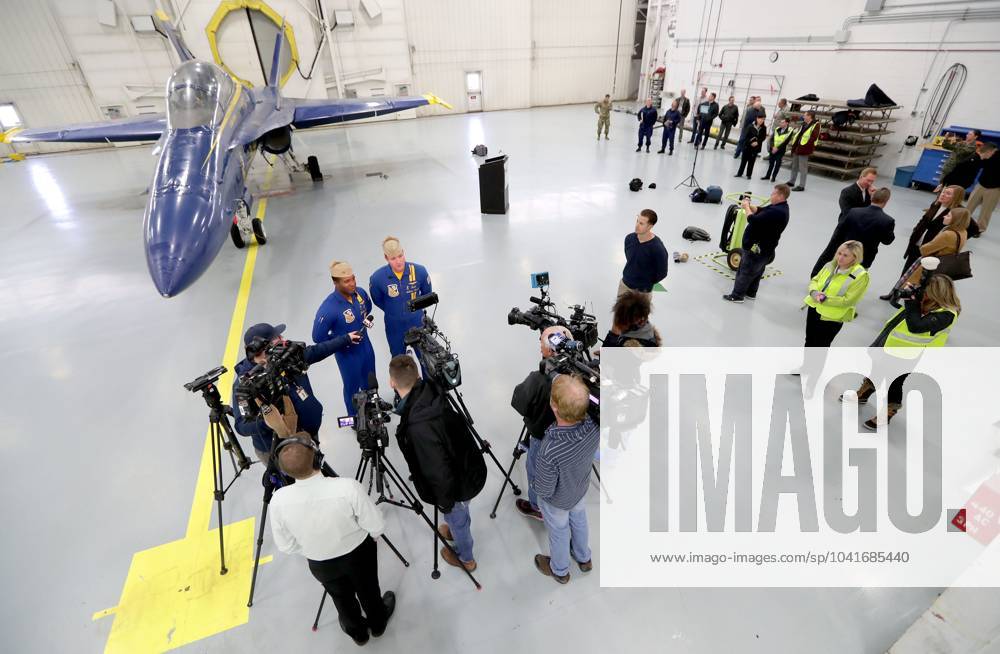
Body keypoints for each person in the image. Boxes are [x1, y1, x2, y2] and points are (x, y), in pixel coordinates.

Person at [270, 438, 394, 646]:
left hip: (320, 563)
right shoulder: (348, 488)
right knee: (369, 589)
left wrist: (315, 547)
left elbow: (286, 545)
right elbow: (376, 526)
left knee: (340, 598)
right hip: (359, 555)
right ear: (318, 458)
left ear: (285, 472)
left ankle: (358, 634)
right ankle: (378, 624)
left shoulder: (278, 501)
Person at [388, 355, 487, 572]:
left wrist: (445, 503)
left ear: (392, 383)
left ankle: (466, 557)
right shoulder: (431, 392)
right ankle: (454, 528)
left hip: (456, 486)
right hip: (466, 467)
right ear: (416, 376)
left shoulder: (418, 427)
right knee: (459, 514)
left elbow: (438, 472)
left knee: (457, 516)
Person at [233, 322, 360, 464]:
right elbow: (241, 426)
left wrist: (346, 339)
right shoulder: (245, 385)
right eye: (277, 337)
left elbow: (317, 351)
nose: (282, 338)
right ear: (264, 348)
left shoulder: (287, 356)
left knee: (313, 470)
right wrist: (269, 422)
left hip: (308, 435)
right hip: (279, 450)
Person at [846, 275, 960, 431]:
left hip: (908, 353)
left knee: (894, 382)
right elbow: (897, 309)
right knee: (877, 369)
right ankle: (865, 392)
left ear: (936, 293)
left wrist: (911, 301)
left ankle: (889, 411)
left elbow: (915, 326)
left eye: (924, 290)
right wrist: (905, 294)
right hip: (889, 341)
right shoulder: (923, 300)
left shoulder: (946, 314)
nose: (921, 292)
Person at [532, 375, 599, 584]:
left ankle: (560, 569)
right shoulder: (594, 426)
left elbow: (544, 488)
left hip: (558, 502)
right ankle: (583, 557)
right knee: (579, 520)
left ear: (554, 406)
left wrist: (538, 493)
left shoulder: (550, 447)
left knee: (559, 531)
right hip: (580, 488)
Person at [512, 325, 574, 521]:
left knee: (535, 471)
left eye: (541, 343)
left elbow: (519, 402)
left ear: (549, 350)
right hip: (569, 439)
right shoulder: (576, 374)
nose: (540, 347)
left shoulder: (538, 379)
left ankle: (536, 506)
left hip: (541, 438)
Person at [879, 185, 965, 300]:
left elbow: (971, 226)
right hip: (917, 244)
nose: (943, 194)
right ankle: (895, 294)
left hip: (931, 249)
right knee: (906, 272)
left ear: (956, 197)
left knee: (921, 277)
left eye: (948, 193)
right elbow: (924, 220)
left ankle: (913, 299)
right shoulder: (936, 205)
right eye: (943, 192)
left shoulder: (956, 212)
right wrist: (916, 230)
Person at [313, 261, 378, 415]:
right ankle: (354, 418)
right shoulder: (329, 308)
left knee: (370, 381)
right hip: (347, 355)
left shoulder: (360, 293)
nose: (352, 283)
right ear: (335, 282)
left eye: (353, 278)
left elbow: (367, 308)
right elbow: (317, 337)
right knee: (352, 388)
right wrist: (340, 339)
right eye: (346, 281)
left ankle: (373, 408)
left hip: (366, 347)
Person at [722, 184, 791, 303]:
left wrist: (746, 208)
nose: (770, 195)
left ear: (780, 195)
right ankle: (751, 293)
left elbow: (753, 220)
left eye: (773, 194)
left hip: (756, 248)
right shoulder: (780, 207)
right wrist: (750, 206)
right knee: (757, 271)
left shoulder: (777, 211)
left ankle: (737, 295)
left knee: (745, 270)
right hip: (766, 249)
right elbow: (763, 211)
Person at [811, 186, 895, 277]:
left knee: (837, 274)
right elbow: (887, 241)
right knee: (854, 279)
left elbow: (841, 230)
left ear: (871, 197)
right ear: (886, 202)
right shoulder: (887, 221)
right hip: (865, 257)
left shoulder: (854, 212)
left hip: (847, 251)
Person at [369, 237, 432, 357]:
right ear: (386, 258)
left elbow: (427, 294)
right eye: (393, 258)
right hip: (394, 325)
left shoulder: (419, 271)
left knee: (426, 358)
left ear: (403, 252)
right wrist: (393, 310)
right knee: (398, 360)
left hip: (417, 321)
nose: (398, 261)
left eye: (400, 256)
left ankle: (427, 377)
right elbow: (377, 300)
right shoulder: (377, 278)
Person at [803, 241, 869, 348]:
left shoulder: (860, 276)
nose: (840, 258)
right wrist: (814, 292)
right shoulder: (830, 265)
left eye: (845, 255)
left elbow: (849, 300)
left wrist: (824, 299)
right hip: (814, 308)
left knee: (821, 345)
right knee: (809, 340)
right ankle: (806, 365)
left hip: (831, 318)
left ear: (855, 257)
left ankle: (815, 365)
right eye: (839, 253)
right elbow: (815, 280)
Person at [903, 207, 970, 286]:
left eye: (948, 216)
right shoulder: (963, 232)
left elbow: (925, 249)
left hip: (931, 265)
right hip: (944, 265)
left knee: (912, 285)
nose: (944, 217)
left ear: (956, 220)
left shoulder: (948, 234)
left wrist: (923, 247)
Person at [619, 209, 669, 299]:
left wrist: (646, 283)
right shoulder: (629, 238)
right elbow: (630, 258)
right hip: (625, 284)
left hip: (643, 292)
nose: (637, 225)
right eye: (637, 221)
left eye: (641, 224)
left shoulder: (657, 249)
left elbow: (662, 273)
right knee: (620, 312)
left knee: (639, 314)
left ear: (650, 226)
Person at [967, 142, 999, 234]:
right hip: (981, 184)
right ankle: (962, 223)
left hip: (994, 189)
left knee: (986, 211)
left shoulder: (996, 155)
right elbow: (982, 163)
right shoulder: (987, 153)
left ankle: (979, 230)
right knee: (969, 205)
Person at [785, 110, 820, 191]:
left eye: (805, 115)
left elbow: (814, 137)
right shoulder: (804, 123)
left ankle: (801, 185)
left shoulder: (816, 125)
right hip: (797, 147)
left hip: (804, 149)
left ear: (809, 116)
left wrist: (805, 146)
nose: (803, 117)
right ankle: (791, 181)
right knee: (794, 166)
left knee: (803, 168)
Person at [760, 118, 792, 182]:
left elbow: (786, 141)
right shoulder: (777, 129)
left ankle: (773, 177)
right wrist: (773, 147)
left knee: (777, 164)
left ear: (787, 123)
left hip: (780, 150)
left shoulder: (790, 131)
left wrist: (777, 148)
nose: (781, 123)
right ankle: (767, 176)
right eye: (780, 122)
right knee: (771, 163)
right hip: (773, 149)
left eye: (782, 122)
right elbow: (771, 139)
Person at [735, 114, 766, 179]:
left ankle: (749, 175)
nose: (762, 121)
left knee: (752, 162)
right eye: (761, 119)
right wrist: (750, 142)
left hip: (756, 147)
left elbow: (763, 137)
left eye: (763, 119)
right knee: (743, 161)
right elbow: (746, 136)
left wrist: (757, 142)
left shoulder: (764, 128)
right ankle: (739, 173)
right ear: (757, 118)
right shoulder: (750, 126)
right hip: (747, 146)